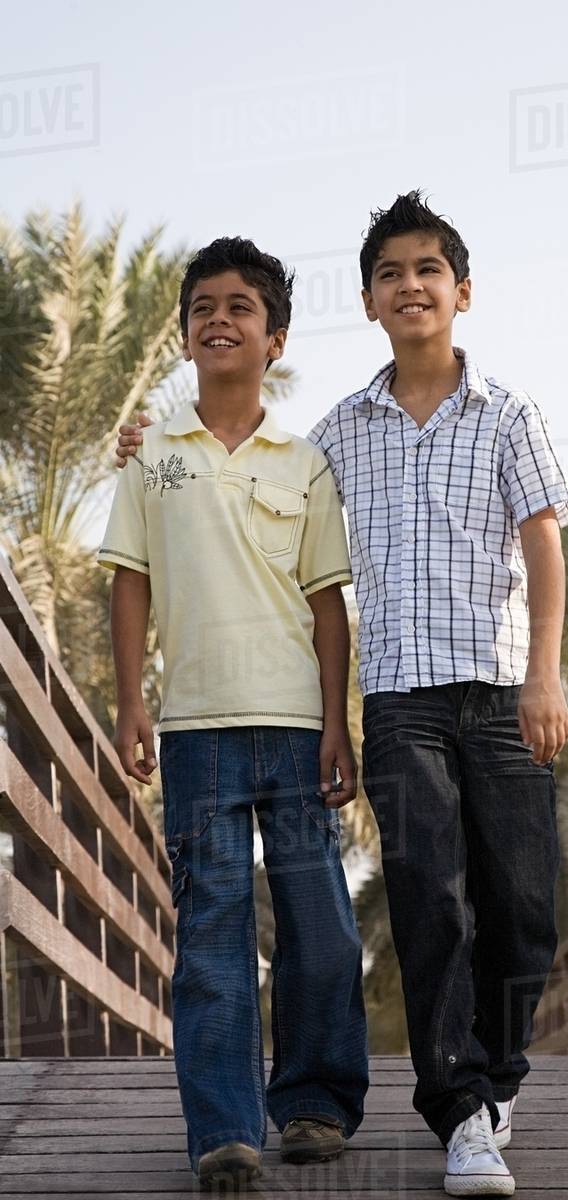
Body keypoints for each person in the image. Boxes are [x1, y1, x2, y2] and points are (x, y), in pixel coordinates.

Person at [114, 193, 568, 1197]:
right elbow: (223, 508)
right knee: (426, 904)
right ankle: (455, 1110)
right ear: (366, 301)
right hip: (398, 703)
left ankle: (491, 1078)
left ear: (460, 290)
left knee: (523, 905)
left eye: (426, 271)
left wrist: (546, 671)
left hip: (498, 694)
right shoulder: (332, 439)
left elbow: (542, 541)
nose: (409, 287)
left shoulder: (507, 413)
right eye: (388, 275)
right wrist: (142, 446)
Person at [99, 236, 368, 1189]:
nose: (221, 318)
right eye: (203, 307)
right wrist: (131, 700)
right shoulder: (152, 457)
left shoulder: (308, 462)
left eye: (241, 308)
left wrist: (338, 723)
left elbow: (329, 600)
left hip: (296, 724)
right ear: (183, 338)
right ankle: (223, 1131)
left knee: (319, 924)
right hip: (196, 731)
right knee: (212, 932)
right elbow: (128, 581)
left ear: (276, 338)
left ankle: (314, 1107)